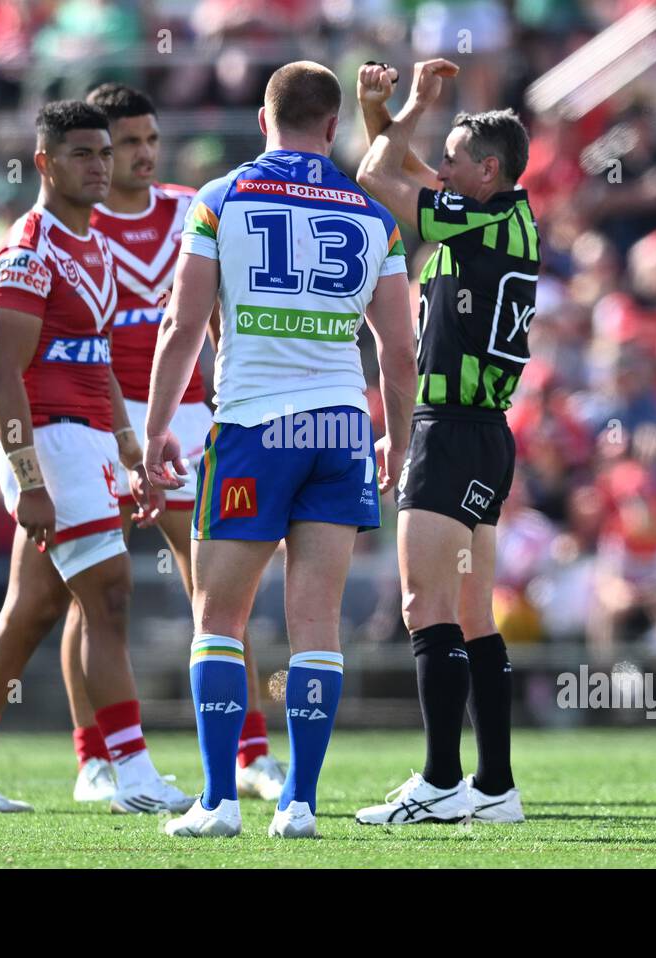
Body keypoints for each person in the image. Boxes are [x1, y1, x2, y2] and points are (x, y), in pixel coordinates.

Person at [143, 61, 417, 838]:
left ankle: (221, 803)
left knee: (219, 618)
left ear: (263, 118)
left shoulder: (219, 199)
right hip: (339, 430)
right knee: (316, 627)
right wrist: (394, 431)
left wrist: (157, 426)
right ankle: (299, 803)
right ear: (333, 126)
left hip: (256, 428)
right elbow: (400, 354)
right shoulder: (374, 217)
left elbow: (182, 327)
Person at [0, 101, 193, 815]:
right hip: (48, 439)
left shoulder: (93, 245)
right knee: (109, 598)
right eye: (82, 154)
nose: (99, 165)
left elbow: (98, 360)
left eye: (104, 153)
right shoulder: (29, 251)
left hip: (91, 438)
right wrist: (29, 476)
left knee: (32, 609)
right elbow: (1, 376)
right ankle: (130, 775)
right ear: (44, 162)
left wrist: (131, 450)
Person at [59, 82, 285, 805]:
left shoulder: (195, 206)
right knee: (93, 598)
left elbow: (216, 311)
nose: (144, 154)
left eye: (151, 140)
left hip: (183, 417)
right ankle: (95, 759)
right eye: (128, 142)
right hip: (96, 424)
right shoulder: (75, 224)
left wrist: (227, 395)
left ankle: (250, 753)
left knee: (219, 588)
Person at [351, 60, 533, 824]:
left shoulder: (481, 216)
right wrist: (383, 112)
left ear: (486, 170)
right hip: (485, 435)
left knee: (424, 602)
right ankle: (494, 787)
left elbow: (373, 176)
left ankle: (439, 781)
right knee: (470, 612)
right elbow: (396, 163)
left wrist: (415, 103)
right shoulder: (500, 208)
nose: (445, 170)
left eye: (456, 161)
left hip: (452, 430)